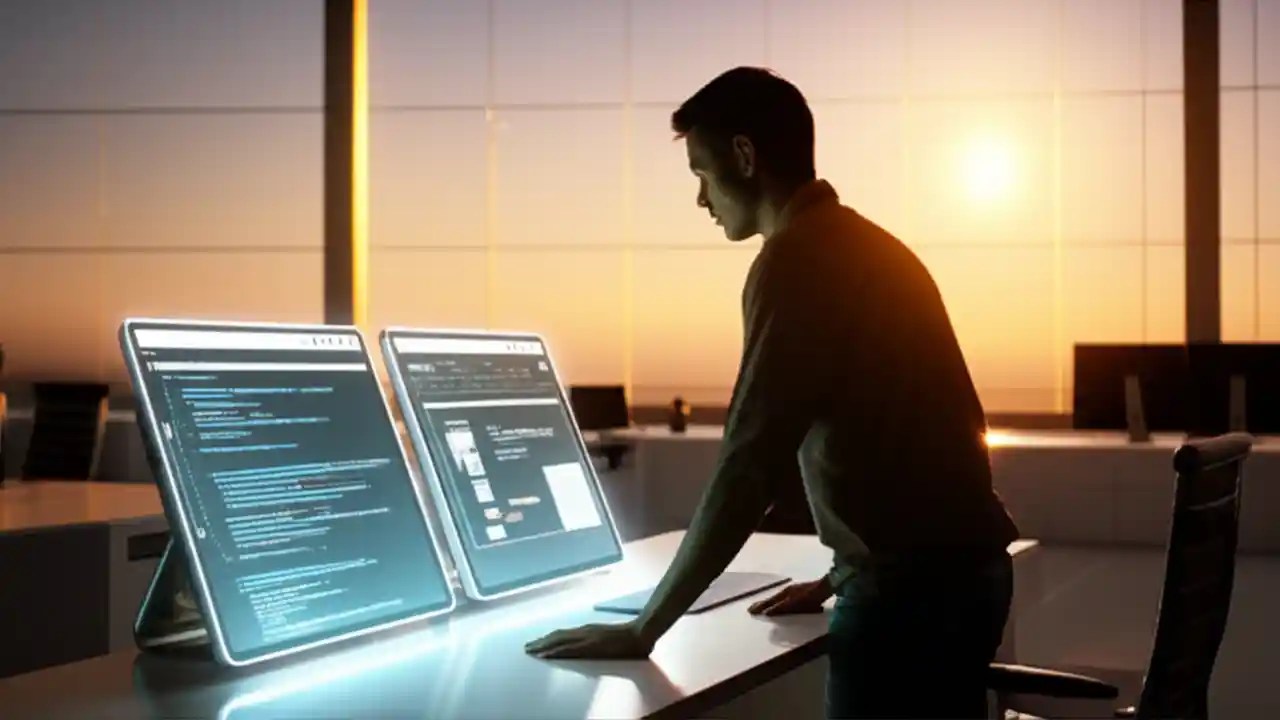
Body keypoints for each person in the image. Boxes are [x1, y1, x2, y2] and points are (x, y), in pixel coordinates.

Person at [525, 67, 1020, 720]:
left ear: (744, 156)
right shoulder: (870, 247)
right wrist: (840, 575)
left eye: (701, 174)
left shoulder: (797, 261)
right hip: (961, 581)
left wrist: (645, 627)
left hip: (909, 602)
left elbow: (748, 465)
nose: (702, 200)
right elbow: (929, 444)